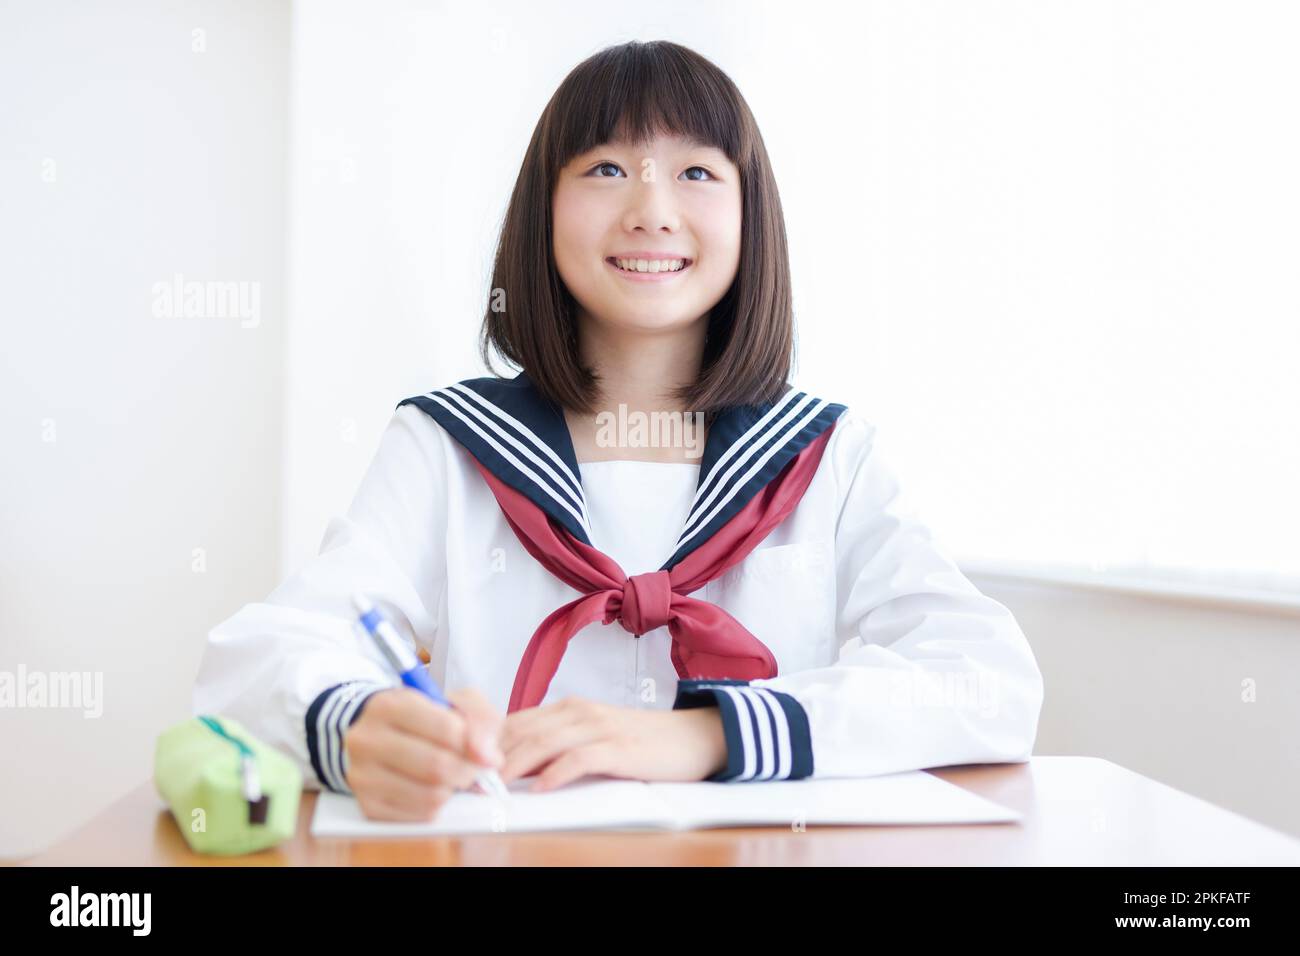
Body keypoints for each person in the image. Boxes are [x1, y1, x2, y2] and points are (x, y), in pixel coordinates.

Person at [193, 40, 1044, 822]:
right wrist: (358, 724)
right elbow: (253, 660)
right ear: (543, 211)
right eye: (604, 167)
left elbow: (987, 679)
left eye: (698, 173)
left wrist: (709, 736)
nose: (652, 211)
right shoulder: (446, 444)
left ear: (754, 218)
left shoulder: (826, 456)